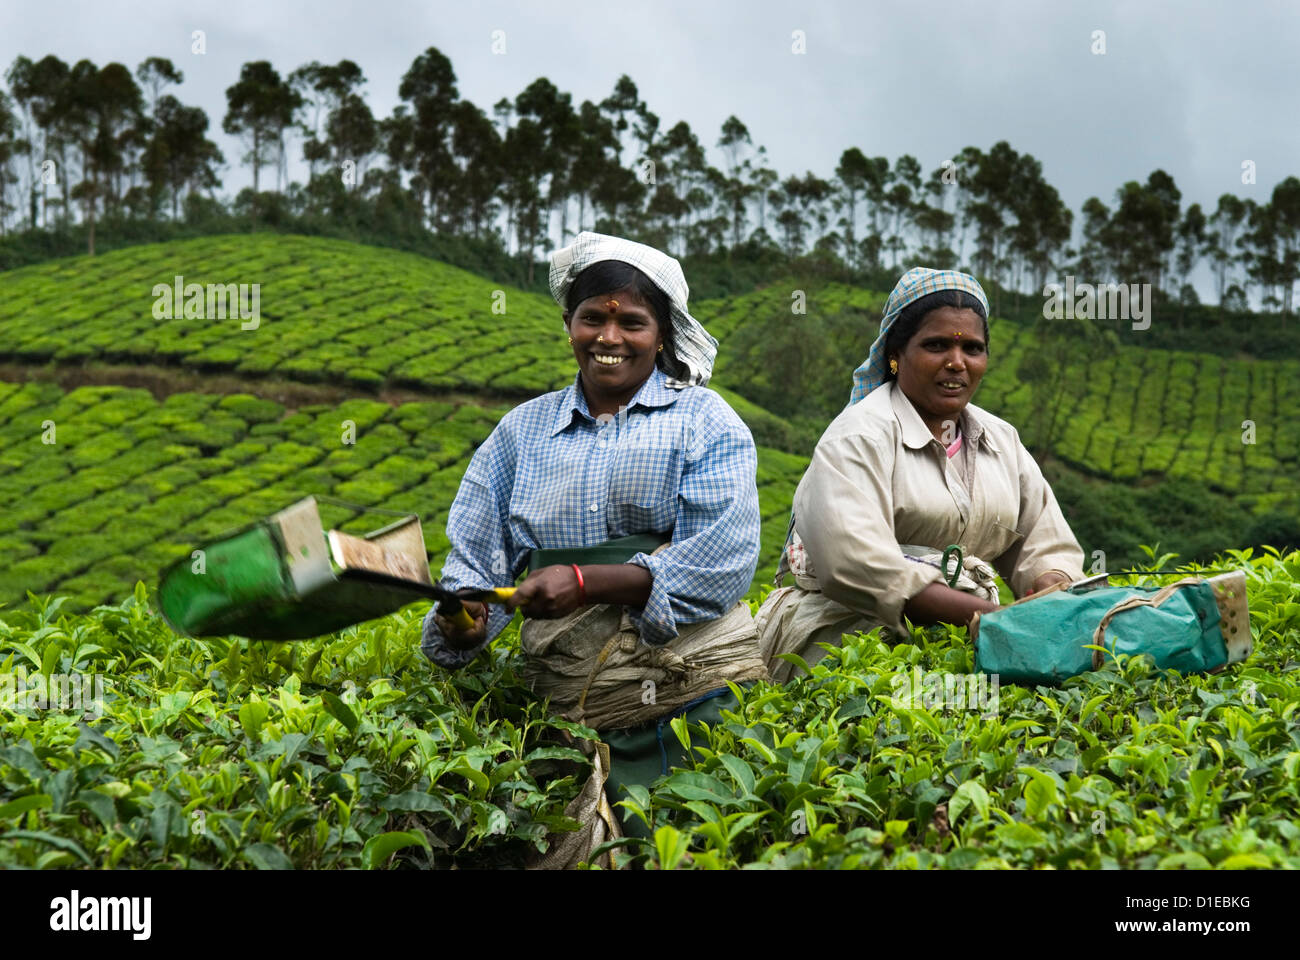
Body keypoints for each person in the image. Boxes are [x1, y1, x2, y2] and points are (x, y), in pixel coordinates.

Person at [420, 231, 767, 861]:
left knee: (696, 846)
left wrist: (584, 583)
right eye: (592, 319)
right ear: (568, 323)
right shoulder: (521, 433)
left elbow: (720, 563)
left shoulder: (705, 420)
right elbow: (477, 566)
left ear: (663, 334)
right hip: (566, 712)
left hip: (691, 698)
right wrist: (467, 620)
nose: (609, 339)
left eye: (632, 322)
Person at [755, 267, 1086, 683]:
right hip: (851, 643)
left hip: (976, 640)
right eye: (936, 345)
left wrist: (1049, 581)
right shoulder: (859, 436)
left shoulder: (1001, 440)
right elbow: (855, 564)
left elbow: (1044, 538)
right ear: (895, 354)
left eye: (973, 349)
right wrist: (992, 617)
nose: (956, 363)